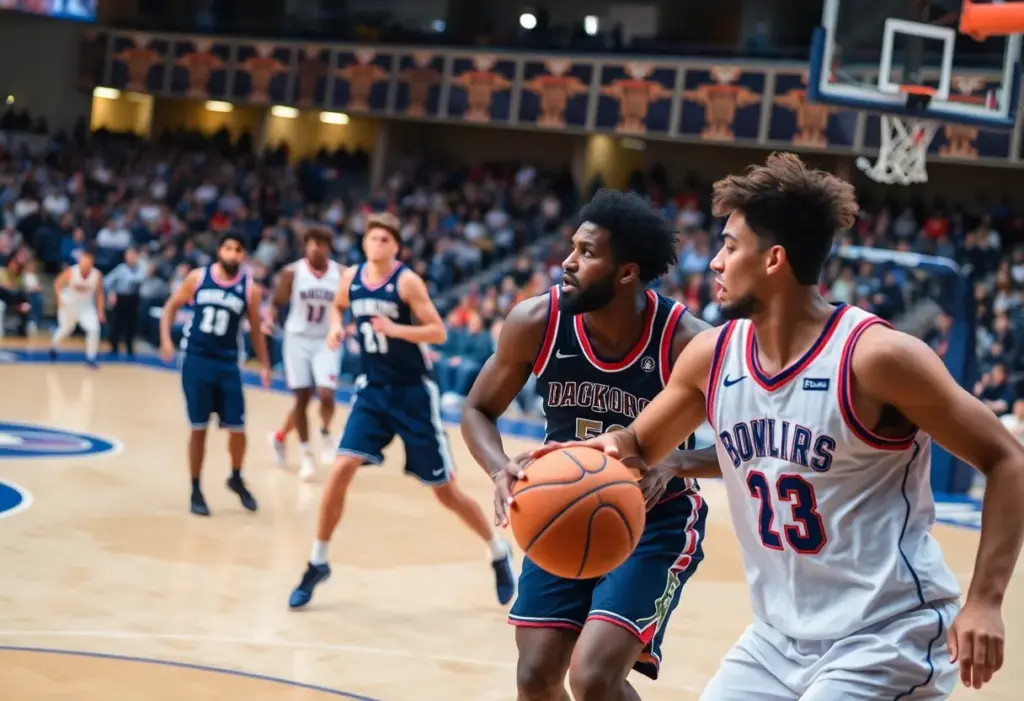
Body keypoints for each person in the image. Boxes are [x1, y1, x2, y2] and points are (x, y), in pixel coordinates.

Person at [536, 153, 1024, 699]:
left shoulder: (876, 358)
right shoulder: (711, 356)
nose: (714, 263)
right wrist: (570, 464)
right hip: (776, 640)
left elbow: (1007, 459)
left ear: (773, 259)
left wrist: (984, 600)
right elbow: (637, 446)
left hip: (886, 636)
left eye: (728, 246)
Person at [461, 189, 712, 701]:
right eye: (572, 248)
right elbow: (476, 409)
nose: (567, 263)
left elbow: (755, 445)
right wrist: (498, 468)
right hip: (561, 505)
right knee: (535, 677)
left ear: (626, 272)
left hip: (651, 518)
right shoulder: (536, 321)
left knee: (594, 678)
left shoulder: (687, 340)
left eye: (587, 253)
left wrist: (676, 462)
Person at [287, 212, 515, 609]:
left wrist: (397, 331)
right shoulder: (350, 278)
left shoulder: (407, 281)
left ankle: (497, 551)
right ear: (364, 243)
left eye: (385, 240)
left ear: (396, 246)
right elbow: (339, 307)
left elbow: (439, 331)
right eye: (372, 238)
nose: (377, 245)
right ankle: (317, 561)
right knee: (340, 469)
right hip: (372, 391)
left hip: (412, 394)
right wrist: (336, 328)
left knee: (445, 492)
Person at [159, 233, 272, 516]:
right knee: (199, 427)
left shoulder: (249, 289)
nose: (232, 253)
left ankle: (235, 476)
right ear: (220, 251)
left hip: (228, 363)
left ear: (243, 255)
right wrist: (165, 339)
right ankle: (195, 488)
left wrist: (266, 364)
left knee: (238, 428)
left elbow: (256, 330)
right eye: (228, 248)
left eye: (238, 249)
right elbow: (170, 307)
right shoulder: (198, 278)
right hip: (196, 360)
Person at [269, 226, 343, 480]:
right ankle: (306, 455)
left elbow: (346, 305)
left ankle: (324, 431)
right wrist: (269, 318)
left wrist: (343, 325)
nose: (315, 247)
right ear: (305, 246)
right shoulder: (292, 272)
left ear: (328, 248)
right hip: (297, 339)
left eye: (321, 243)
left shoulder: (340, 274)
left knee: (326, 394)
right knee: (302, 398)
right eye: (311, 243)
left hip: (325, 340)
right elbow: (276, 302)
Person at [50, 247, 104, 367]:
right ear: (79, 261)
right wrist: (59, 298)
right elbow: (57, 283)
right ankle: (54, 346)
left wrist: (100, 311)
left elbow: (99, 294)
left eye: (87, 262)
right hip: (69, 305)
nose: (84, 265)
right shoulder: (71, 272)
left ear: (91, 263)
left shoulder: (97, 275)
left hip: (86, 307)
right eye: (82, 261)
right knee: (65, 329)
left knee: (94, 329)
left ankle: (91, 358)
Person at [104, 247, 147, 357]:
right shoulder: (121, 268)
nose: (130, 258)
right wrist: (111, 293)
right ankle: (114, 347)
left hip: (133, 298)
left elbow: (140, 279)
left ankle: (129, 348)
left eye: (132, 255)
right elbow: (107, 281)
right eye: (128, 255)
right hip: (121, 297)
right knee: (117, 323)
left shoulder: (140, 268)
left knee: (131, 324)